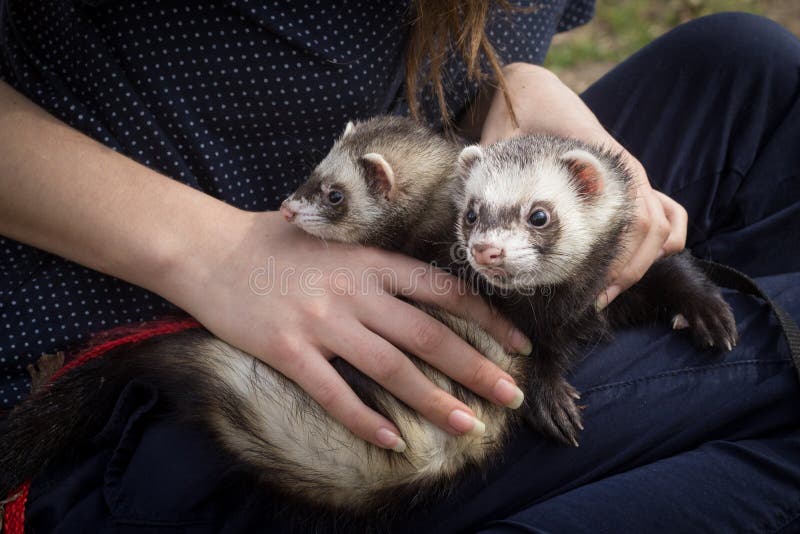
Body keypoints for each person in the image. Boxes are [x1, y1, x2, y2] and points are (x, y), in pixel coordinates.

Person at [0, 1, 798, 531]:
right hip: (126, 390)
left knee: (750, 67)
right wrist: (214, 252)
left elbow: (449, 99)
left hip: (411, 240)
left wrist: (515, 87)